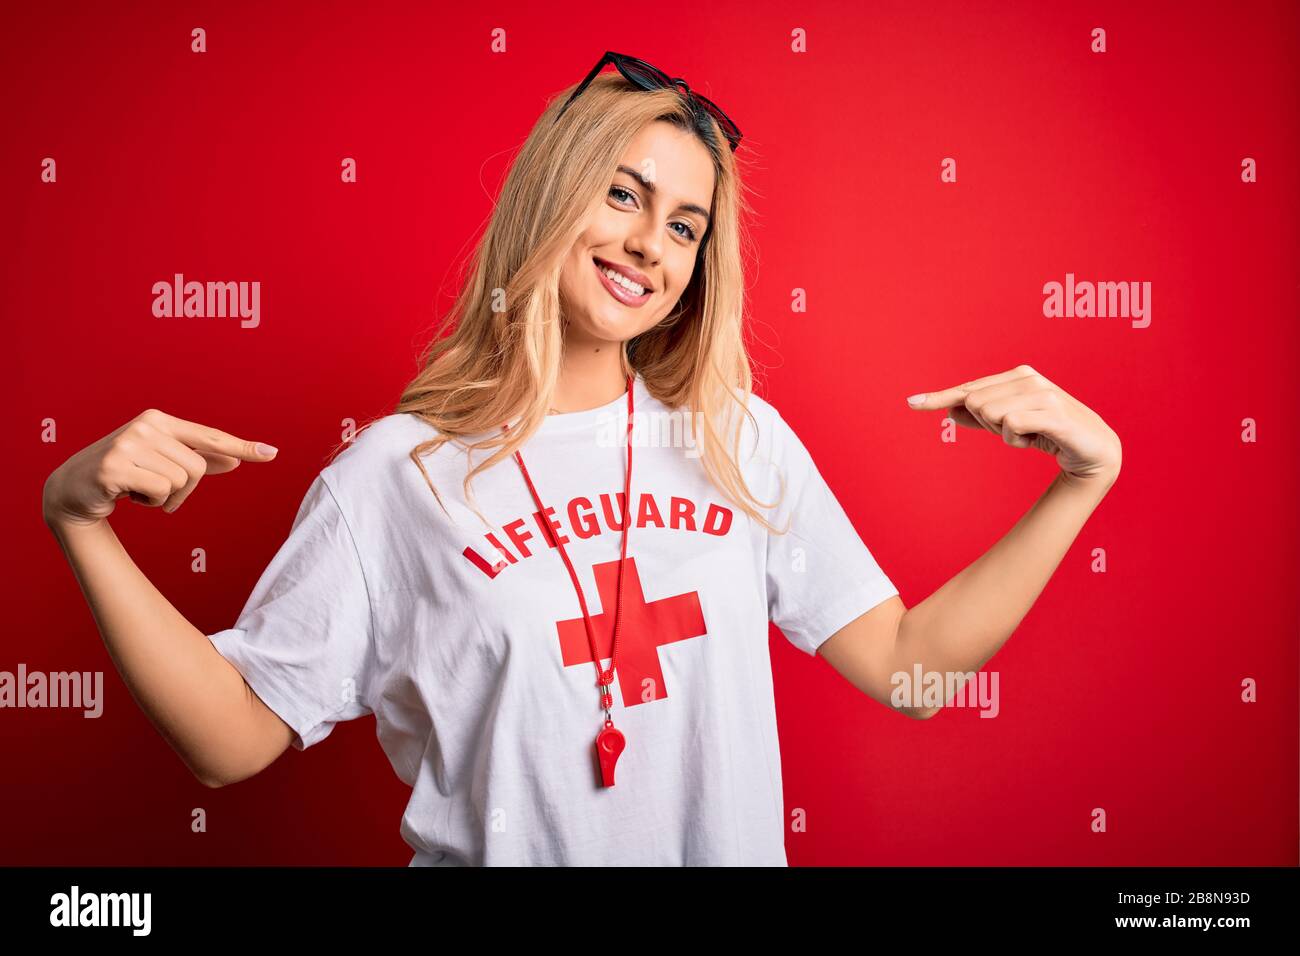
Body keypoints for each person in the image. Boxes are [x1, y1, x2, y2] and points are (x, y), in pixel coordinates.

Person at [40, 52, 1122, 866]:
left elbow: (904, 668)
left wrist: (1081, 482)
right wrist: (78, 521)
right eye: (622, 193)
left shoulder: (732, 439)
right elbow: (229, 740)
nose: (651, 242)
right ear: (550, 195)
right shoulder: (397, 476)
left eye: (687, 226)